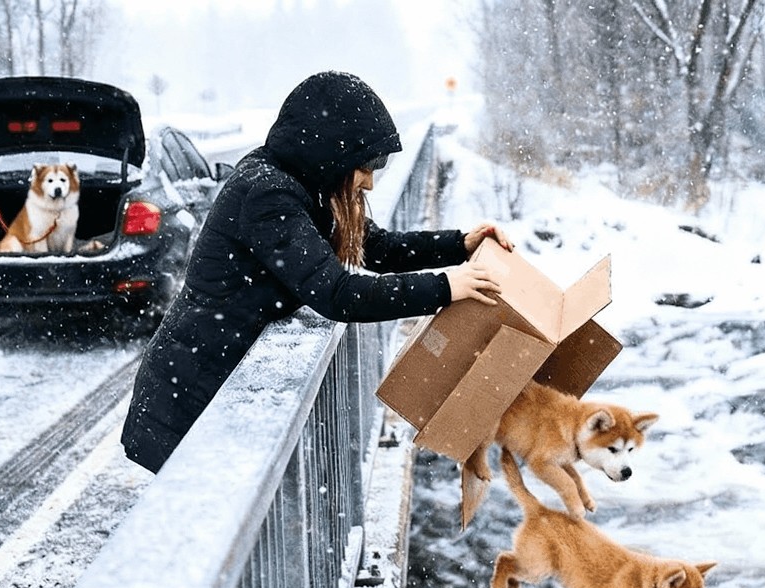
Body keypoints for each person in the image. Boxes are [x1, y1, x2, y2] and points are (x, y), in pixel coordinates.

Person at [121, 70, 513, 473]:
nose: (372, 183)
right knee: (216, 520)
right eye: (368, 165)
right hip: (190, 391)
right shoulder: (269, 194)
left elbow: (375, 247)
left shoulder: (311, 187)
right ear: (333, 153)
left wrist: (459, 244)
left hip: (218, 379)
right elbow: (338, 294)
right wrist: (445, 288)